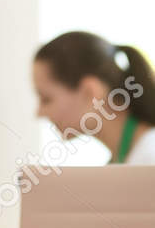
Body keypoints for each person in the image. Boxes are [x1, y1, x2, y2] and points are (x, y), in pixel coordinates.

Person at [33, 32, 155, 166]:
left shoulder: (150, 156)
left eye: (46, 99)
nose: (39, 113)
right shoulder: (126, 160)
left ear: (90, 92)